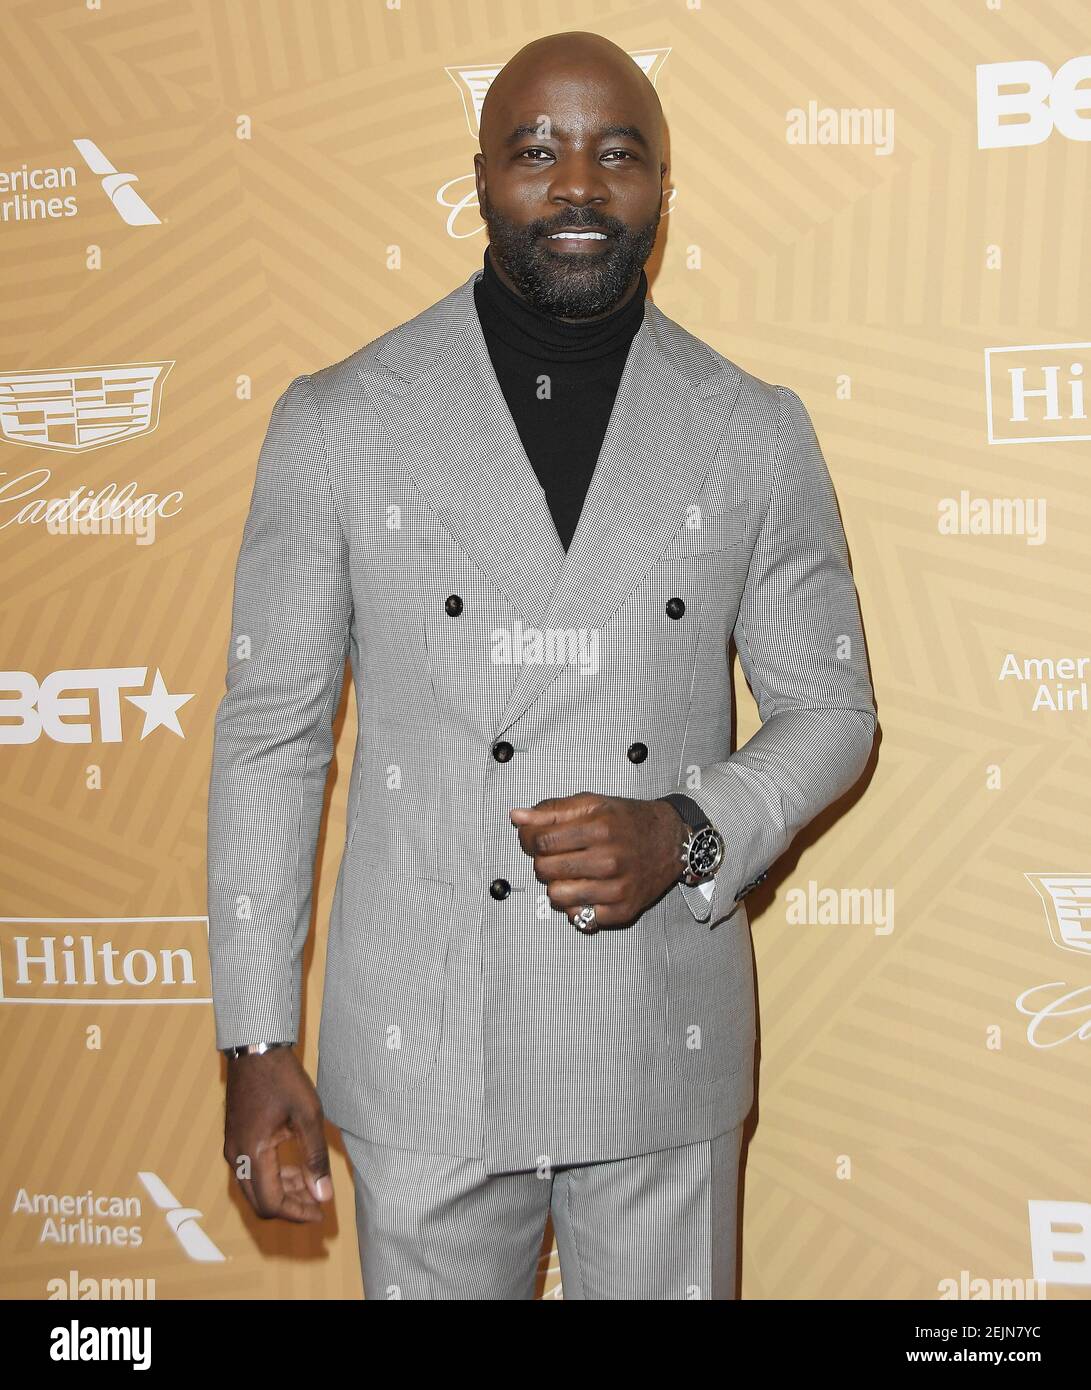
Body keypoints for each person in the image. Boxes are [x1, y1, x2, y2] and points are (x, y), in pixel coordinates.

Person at [206, 29, 876, 1300]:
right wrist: (254, 1039)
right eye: (535, 152)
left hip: (654, 1033)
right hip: (425, 1046)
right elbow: (270, 740)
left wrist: (686, 827)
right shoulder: (338, 422)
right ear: (478, 178)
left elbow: (829, 706)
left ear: (661, 192)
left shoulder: (750, 428)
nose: (576, 184)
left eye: (616, 153)